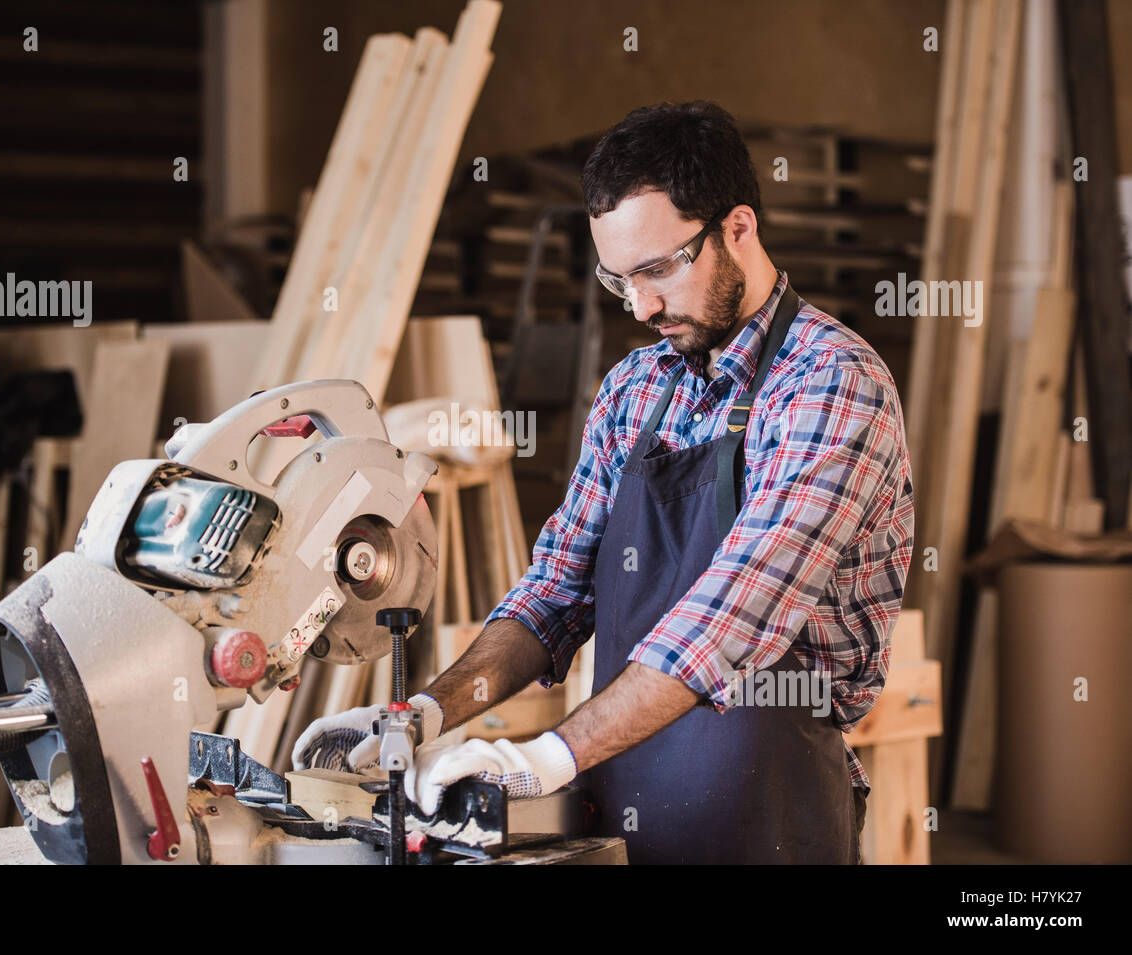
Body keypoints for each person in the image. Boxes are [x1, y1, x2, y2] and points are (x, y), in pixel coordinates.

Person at [294, 100, 914, 864]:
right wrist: (420, 714)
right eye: (619, 280)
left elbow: (729, 621)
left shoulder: (831, 384)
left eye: (658, 270)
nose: (642, 306)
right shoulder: (634, 390)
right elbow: (555, 592)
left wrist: (540, 758)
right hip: (622, 798)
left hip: (770, 816)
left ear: (739, 229)